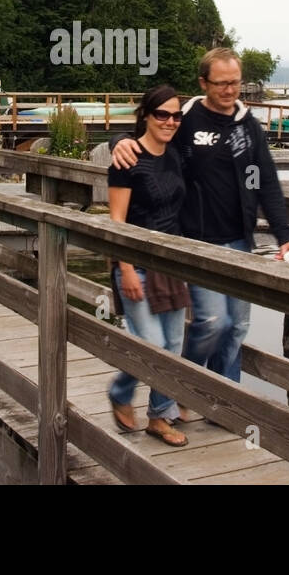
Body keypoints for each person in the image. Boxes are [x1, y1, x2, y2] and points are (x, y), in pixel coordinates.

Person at [112, 48, 289, 384]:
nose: (230, 91)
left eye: (235, 83)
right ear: (203, 82)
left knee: (238, 327)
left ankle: (224, 396)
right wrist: (120, 140)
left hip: (241, 242)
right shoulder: (187, 120)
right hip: (196, 241)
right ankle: (190, 383)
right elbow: (152, 136)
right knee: (212, 322)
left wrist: (285, 235)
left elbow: (267, 183)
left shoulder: (249, 128)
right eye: (221, 83)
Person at [107, 84, 192, 447]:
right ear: (146, 114)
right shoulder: (126, 160)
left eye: (176, 115)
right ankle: (120, 390)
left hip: (170, 264)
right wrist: (125, 268)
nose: (170, 121)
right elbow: (116, 220)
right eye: (162, 114)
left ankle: (160, 417)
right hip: (136, 265)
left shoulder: (177, 153)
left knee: (172, 344)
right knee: (153, 344)